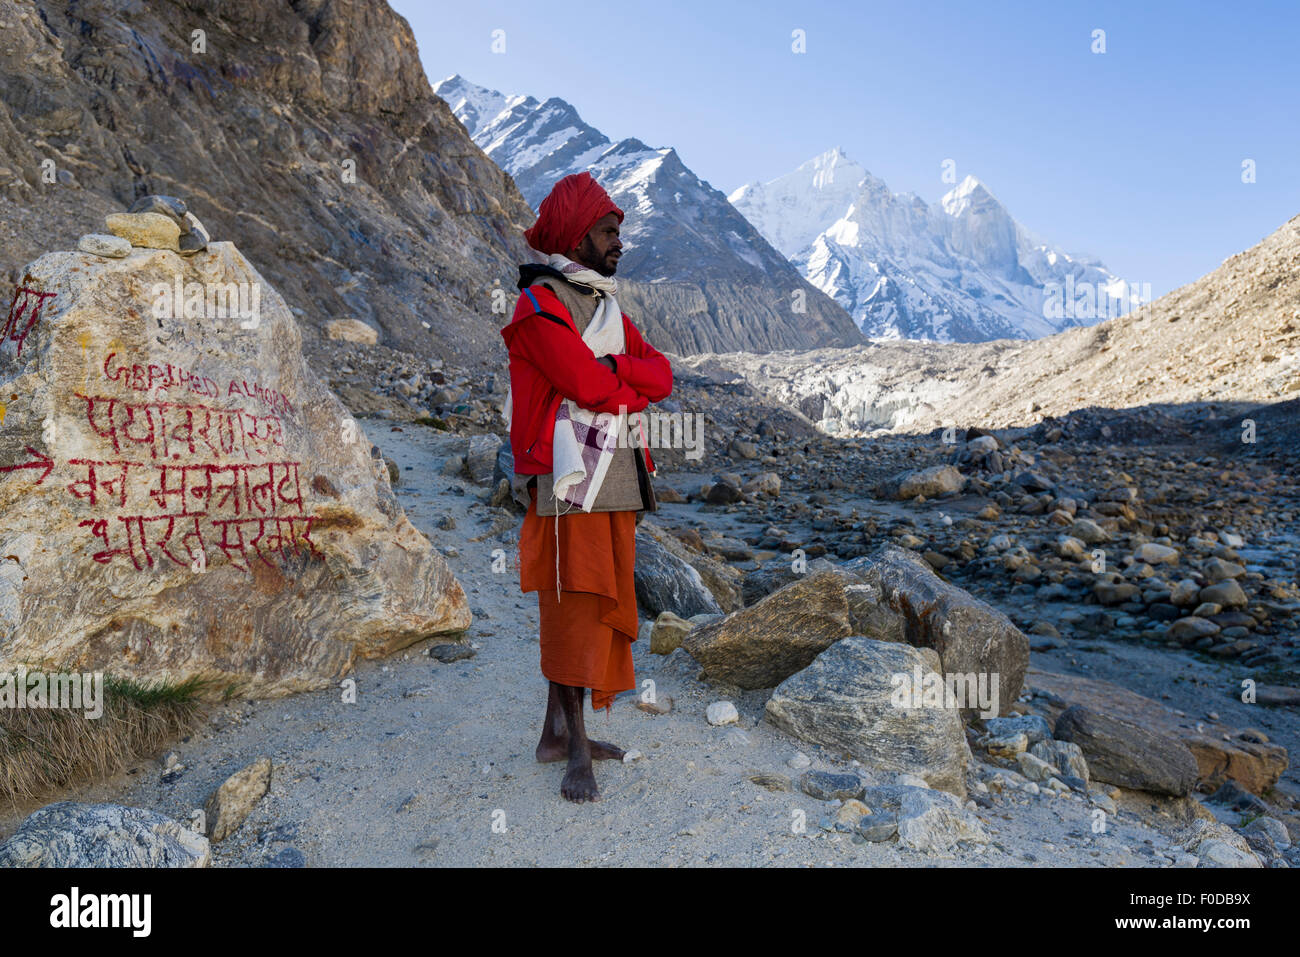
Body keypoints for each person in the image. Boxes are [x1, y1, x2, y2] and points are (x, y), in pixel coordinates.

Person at [500, 171, 673, 803]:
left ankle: (555, 733)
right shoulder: (539, 305)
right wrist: (618, 384)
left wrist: (616, 369)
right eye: (607, 231)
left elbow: (663, 376)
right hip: (570, 480)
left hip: (616, 480)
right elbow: (587, 388)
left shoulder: (605, 309)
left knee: (591, 598)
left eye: (619, 231)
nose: (618, 242)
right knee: (572, 602)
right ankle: (575, 749)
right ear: (578, 236)